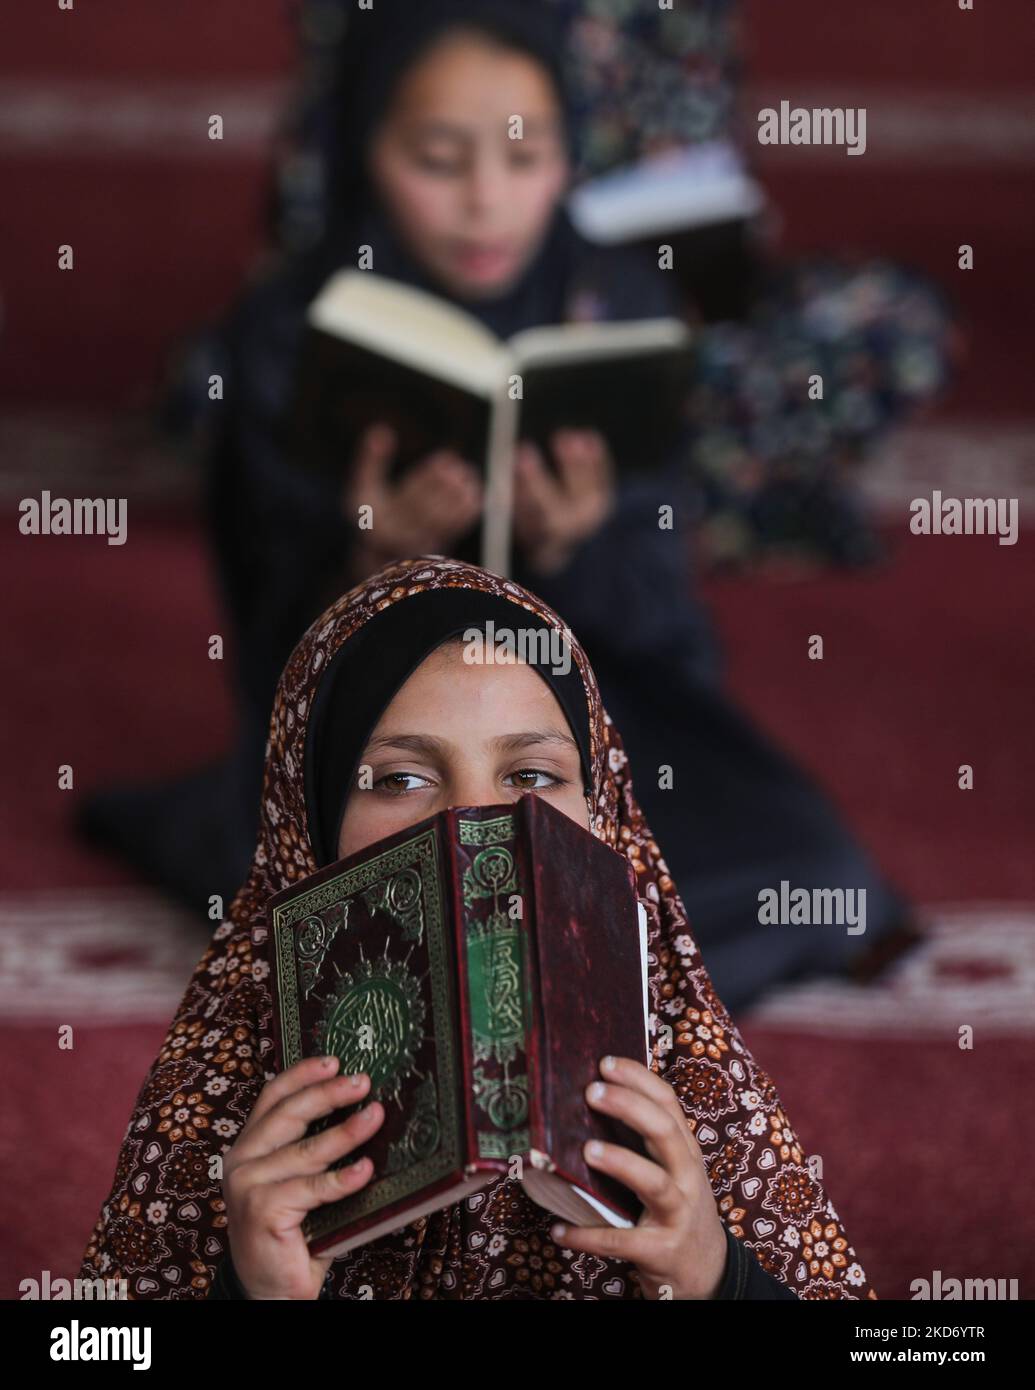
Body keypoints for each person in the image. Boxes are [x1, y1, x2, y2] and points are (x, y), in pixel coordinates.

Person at [78, 0, 922, 1009]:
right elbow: (266, 648)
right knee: (390, 912)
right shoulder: (284, 329)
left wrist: (584, 542)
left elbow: (670, 641)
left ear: (572, 149)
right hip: (383, 742)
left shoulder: (619, 305)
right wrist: (366, 560)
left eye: (527, 160)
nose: (487, 200)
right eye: (439, 159)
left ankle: (548, 981)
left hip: (577, 722)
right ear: (363, 145)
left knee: (809, 875)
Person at [78, 556, 876, 1300]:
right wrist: (251, 1292)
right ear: (309, 819)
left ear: (601, 814)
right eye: (400, 779)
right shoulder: (232, 1096)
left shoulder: (677, 1088)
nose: (470, 822)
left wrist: (716, 1273)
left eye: (530, 776)